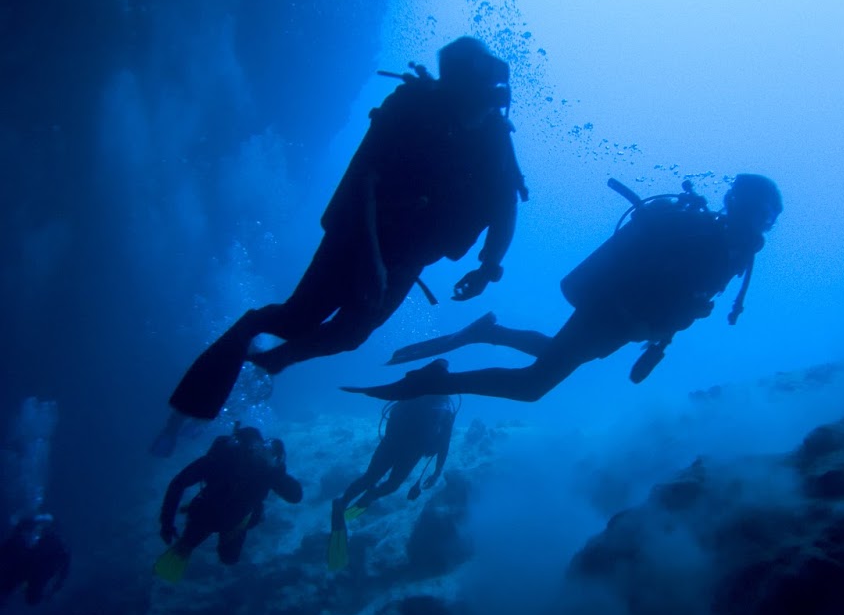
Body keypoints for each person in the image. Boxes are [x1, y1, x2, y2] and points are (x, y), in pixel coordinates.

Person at [158, 37, 527, 437]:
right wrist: (371, 262)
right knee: (296, 318)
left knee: (351, 335)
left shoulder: (493, 136)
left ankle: (272, 362)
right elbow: (365, 182)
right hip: (354, 236)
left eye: (489, 92)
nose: (486, 102)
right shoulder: (412, 109)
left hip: (410, 254)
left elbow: (506, 203)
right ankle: (218, 372)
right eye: (474, 90)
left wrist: (489, 265)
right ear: (454, 84)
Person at [347, 174, 783, 405]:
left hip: (623, 325)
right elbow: (658, 277)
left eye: (769, 218)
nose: (763, 223)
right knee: (532, 387)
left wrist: (684, 313)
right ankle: (426, 384)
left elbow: (684, 293)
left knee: (555, 354)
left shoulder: (732, 252)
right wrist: (666, 309)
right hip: (610, 313)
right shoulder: (702, 235)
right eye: (760, 212)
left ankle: (488, 333)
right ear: (737, 204)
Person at [327, 388, 458, 570]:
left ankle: (350, 500)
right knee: (386, 483)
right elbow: (444, 443)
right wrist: (436, 471)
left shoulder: (417, 398)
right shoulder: (443, 407)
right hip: (407, 449)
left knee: (375, 480)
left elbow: (442, 440)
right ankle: (360, 498)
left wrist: (436, 470)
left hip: (393, 445)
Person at [154, 426, 302, 583]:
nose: (259, 451)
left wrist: (278, 472)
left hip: (237, 521)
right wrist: (166, 522)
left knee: (229, 559)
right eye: (256, 446)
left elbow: (295, 497)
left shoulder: (268, 471)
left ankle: (187, 553)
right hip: (206, 515)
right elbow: (179, 483)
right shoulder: (221, 460)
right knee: (186, 546)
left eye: (266, 449)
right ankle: (173, 565)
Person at [0, 514, 70, 606]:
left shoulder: (56, 544)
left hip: (36, 570)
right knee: (13, 588)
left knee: (31, 598)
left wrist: (55, 588)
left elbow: (64, 567)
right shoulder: (23, 540)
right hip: (28, 568)